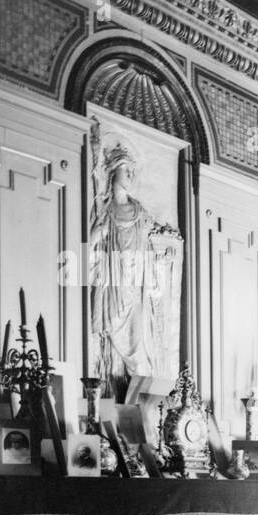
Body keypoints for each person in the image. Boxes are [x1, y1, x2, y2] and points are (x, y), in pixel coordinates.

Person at [89, 141, 180, 395]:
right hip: (113, 289)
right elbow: (89, 255)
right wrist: (97, 235)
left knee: (138, 350)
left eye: (132, 171)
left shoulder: (140, 212)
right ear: (113, 172)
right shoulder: (104, 212)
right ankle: (112, 405)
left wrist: (159, 268)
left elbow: (150, 253)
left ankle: (136, 408)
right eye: (126, 169)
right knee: (112, 355)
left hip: (135, 292)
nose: (130, 175)